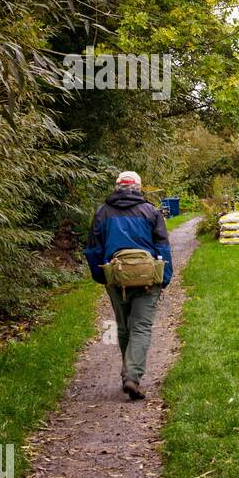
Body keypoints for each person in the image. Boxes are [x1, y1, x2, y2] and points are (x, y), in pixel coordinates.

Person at [83, 171, 173, 400]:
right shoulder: (150, 211)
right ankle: (132, 377)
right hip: (147, 278)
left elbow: (93, 250)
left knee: (123, 328)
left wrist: (101, 276)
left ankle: (129, 374)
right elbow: (162, 247)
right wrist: (164, 277)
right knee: (141, 327)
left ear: (117, 187)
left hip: (117, 278)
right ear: (139, 188)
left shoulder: (103, 212)